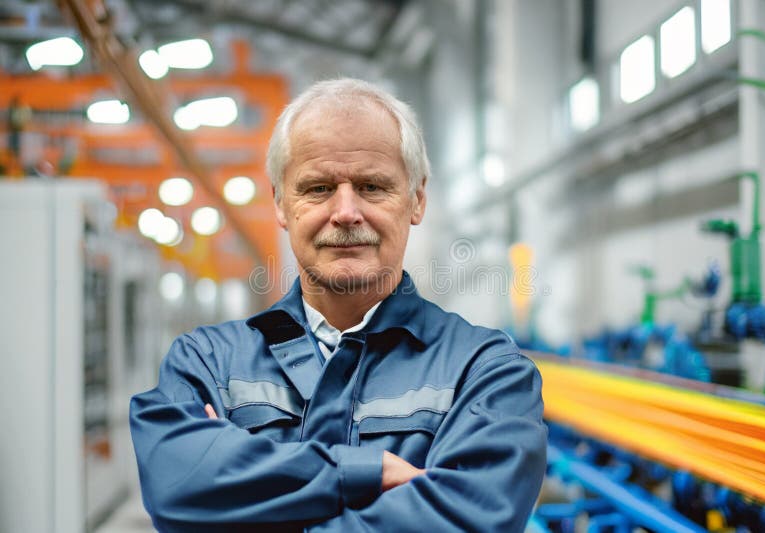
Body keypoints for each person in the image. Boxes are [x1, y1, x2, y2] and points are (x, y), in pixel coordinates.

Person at [130, 78, 547, 532]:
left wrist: (242, 497)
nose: (346, 212)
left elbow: (474, 519)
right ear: (281, 204)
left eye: (371, 186)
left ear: (417, 199)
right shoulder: (206, 363)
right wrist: (369, 471)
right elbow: (178, 488)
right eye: (318, 188)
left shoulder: (485, 373)